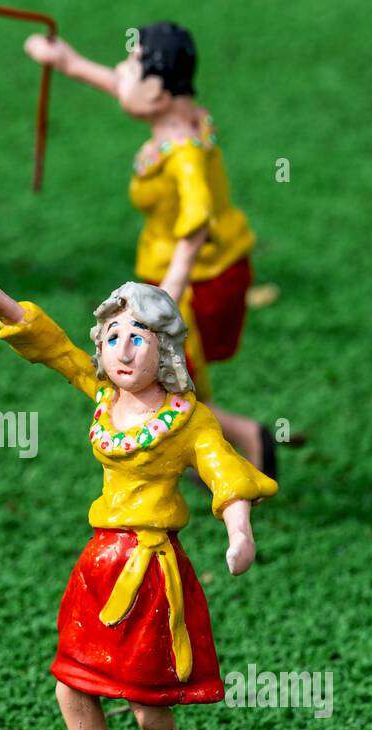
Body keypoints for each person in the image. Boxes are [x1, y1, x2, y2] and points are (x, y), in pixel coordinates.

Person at [0, 255, 276, 730]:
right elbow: (48, 343)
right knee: (73, 689)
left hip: (150, 572)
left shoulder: (189, 420)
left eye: (138, 337)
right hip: (99, 564)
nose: (122, 350)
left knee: (149, 707)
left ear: (165, 351)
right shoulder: (102, 396)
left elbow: (226, 474)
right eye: (113, 336)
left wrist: (239, 533)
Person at [24, 21, 280, 477]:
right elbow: (129, 91)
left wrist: (163, 301)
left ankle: (244, 440)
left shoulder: (182, 152)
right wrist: (71, 64)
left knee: (164, 382)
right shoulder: (183, 116)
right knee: (169, 379)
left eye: (132, 66)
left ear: (160, 90)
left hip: (193, 282)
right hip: (189, 272)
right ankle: (216, 453)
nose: (121, 72)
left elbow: (196, 224)